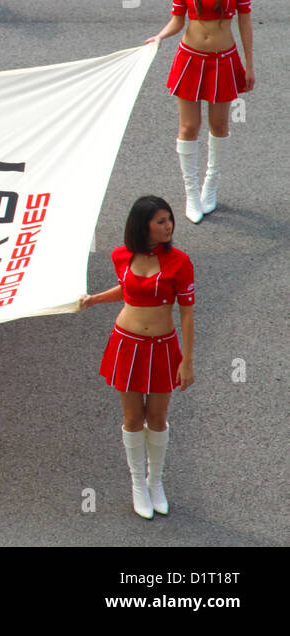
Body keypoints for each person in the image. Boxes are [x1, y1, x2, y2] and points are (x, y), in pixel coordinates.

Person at [79, 196, 194, 520]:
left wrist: (186, 360)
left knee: (157, 418)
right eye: (160, 221)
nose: (168, 225)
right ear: (143, 225)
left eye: (169, 219)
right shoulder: (120, 255)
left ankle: (155, 482)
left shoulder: (180, 262)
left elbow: (187, 313)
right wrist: (93, 300)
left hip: (162, 347)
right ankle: (137, 485)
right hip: (127, 344)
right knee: (133, 419)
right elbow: (127, 291)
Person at [147, 0, 254, 223]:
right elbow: (178, 19)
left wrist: (249, 64)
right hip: (190, 58)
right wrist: (160, 36)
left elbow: (245, 23)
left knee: (219, 126)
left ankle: (211, 185)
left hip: (224, 60)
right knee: (188, 127)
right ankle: (191, 192)